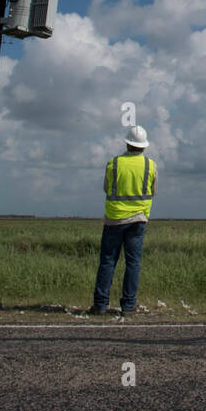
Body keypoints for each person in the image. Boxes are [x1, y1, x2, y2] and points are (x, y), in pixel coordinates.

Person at [87, 125, 157, 316]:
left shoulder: (113, 163)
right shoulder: (150, 165)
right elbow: (153, 190)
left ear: (127, 143)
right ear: (144, 146)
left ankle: (100, 305)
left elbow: (106, 187)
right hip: (138, 220)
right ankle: (128, 306)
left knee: (108, 261)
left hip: (114, 219)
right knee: (133, 262)